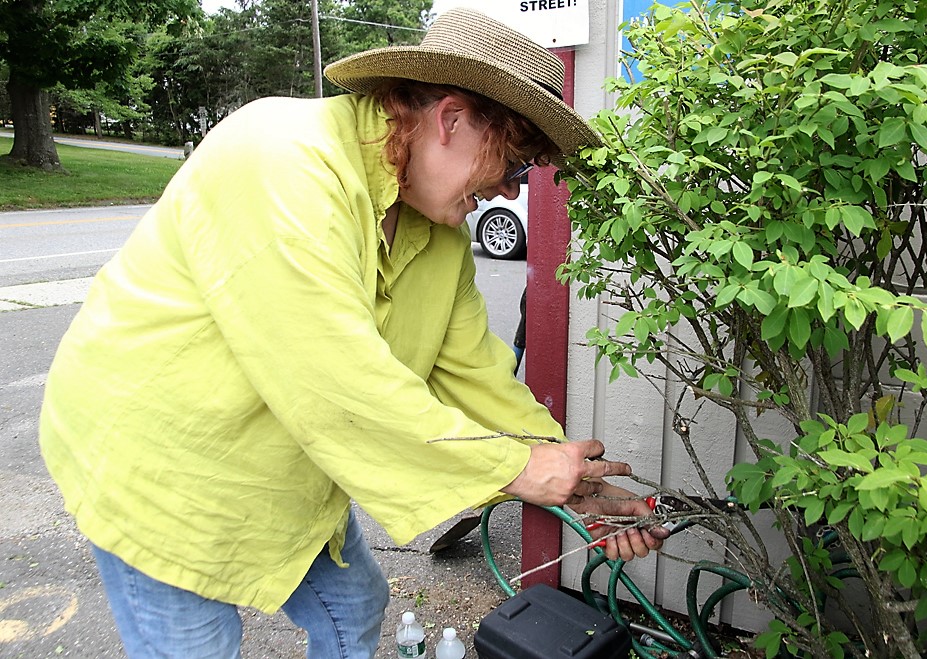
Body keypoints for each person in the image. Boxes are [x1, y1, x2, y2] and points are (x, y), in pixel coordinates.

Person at [38, 8, 667, 659]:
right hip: (162, 465)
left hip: (279, 459)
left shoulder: (436, 234)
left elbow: (474, 375)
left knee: (353, 602)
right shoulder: (281, 160)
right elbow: (334, 384)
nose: (508, 192)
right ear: (450, 119)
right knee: (200, 642)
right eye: (512, 164)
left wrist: (573, 479)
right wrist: (522, 470)